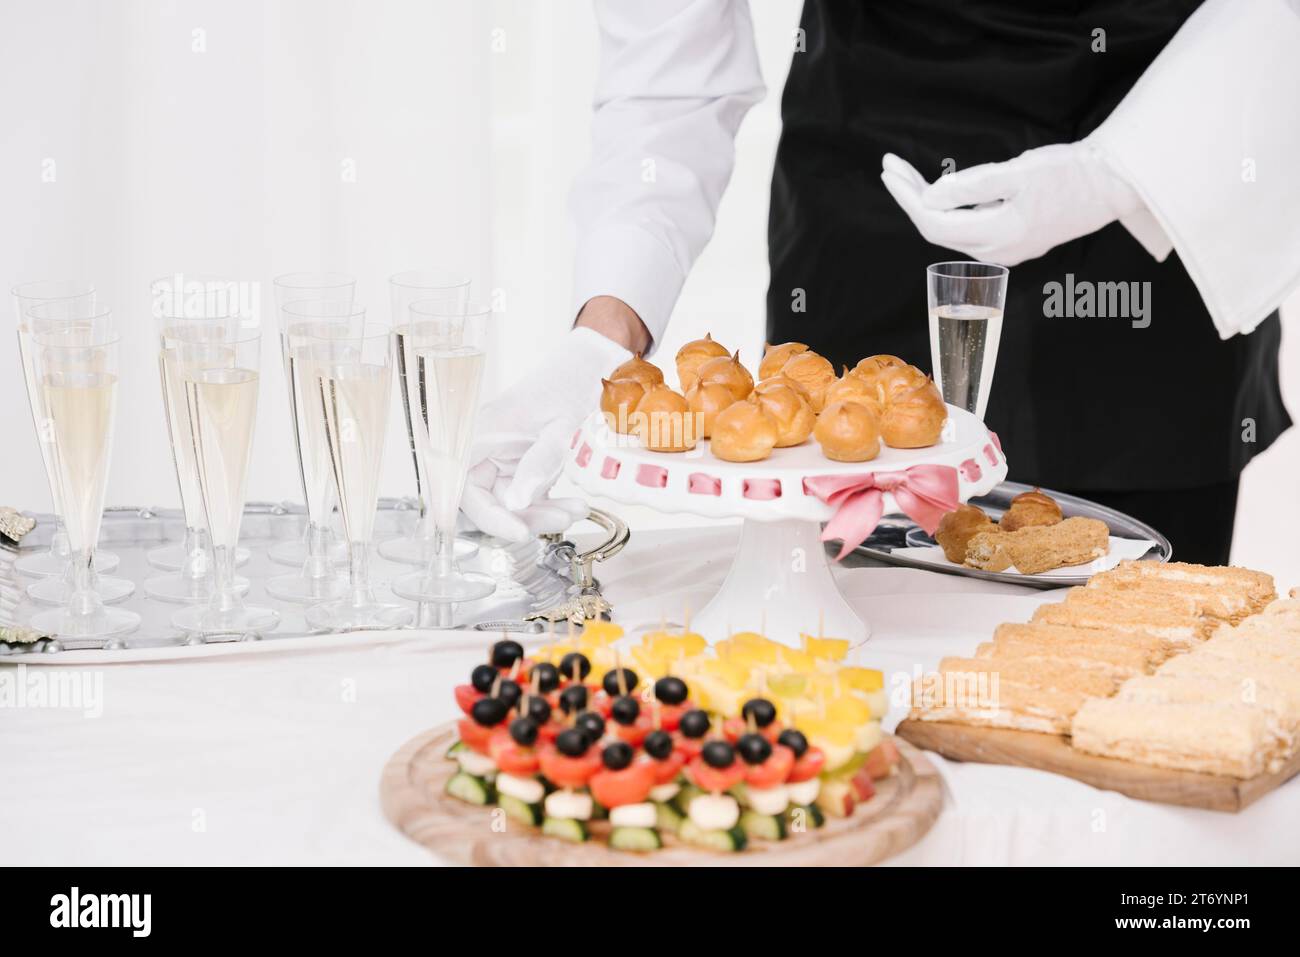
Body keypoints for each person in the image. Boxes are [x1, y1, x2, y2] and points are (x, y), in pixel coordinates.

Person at [462, 0, 1300, 566]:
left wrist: (1116, 177)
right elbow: (670, 77)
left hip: (1156, 184)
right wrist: (601, 343)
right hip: (867, 209)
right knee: (855, 686)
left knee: (1130, 694)